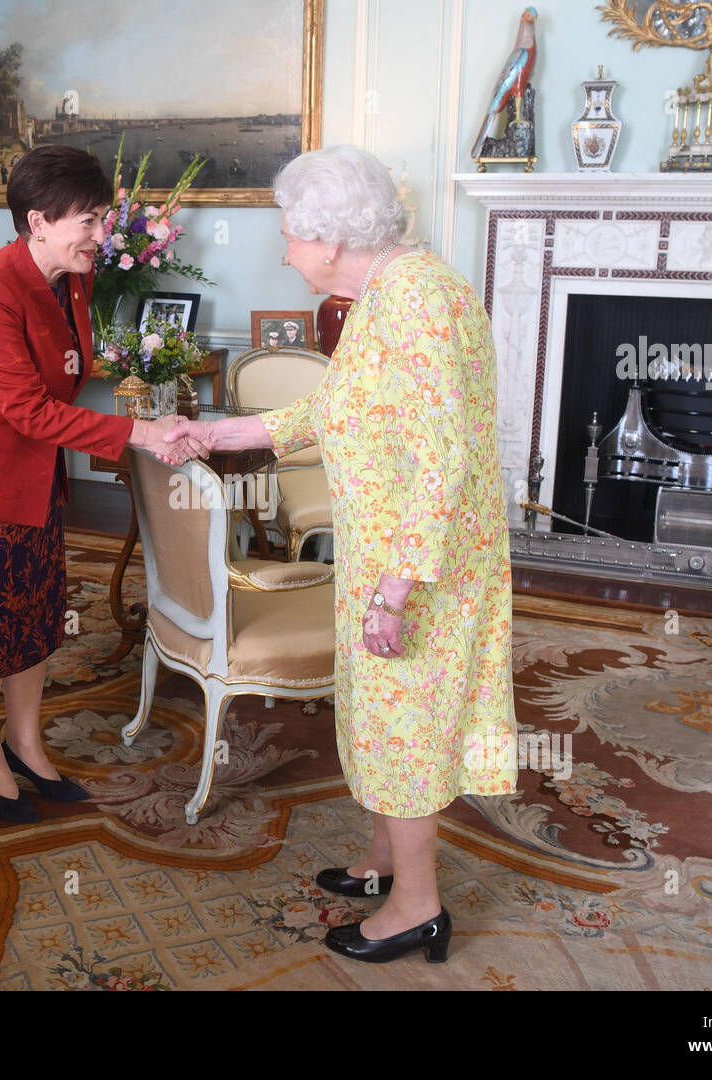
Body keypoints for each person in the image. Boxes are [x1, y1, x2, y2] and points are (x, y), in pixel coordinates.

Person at [166, 144, 517, 963]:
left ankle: (418, 907)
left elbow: (445, 461)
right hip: (389, 555)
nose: (285, 251)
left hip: (420, 566)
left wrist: (395, 592)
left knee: (407, 727)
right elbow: (327, 410)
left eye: (290, 234)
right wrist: (215, 434)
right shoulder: (387, 296)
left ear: (329, 238)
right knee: (382, 716)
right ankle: (384, 861)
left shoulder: (418, 303)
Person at [0, 146, 203, 825]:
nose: (101, 236)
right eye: (91, 222)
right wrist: (141, 435)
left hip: (33, 476)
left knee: (33, 616)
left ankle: (27, 746)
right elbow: (28, 410)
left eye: (102, 221)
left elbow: (64, 374)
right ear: (38, 221)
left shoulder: (70, 278)